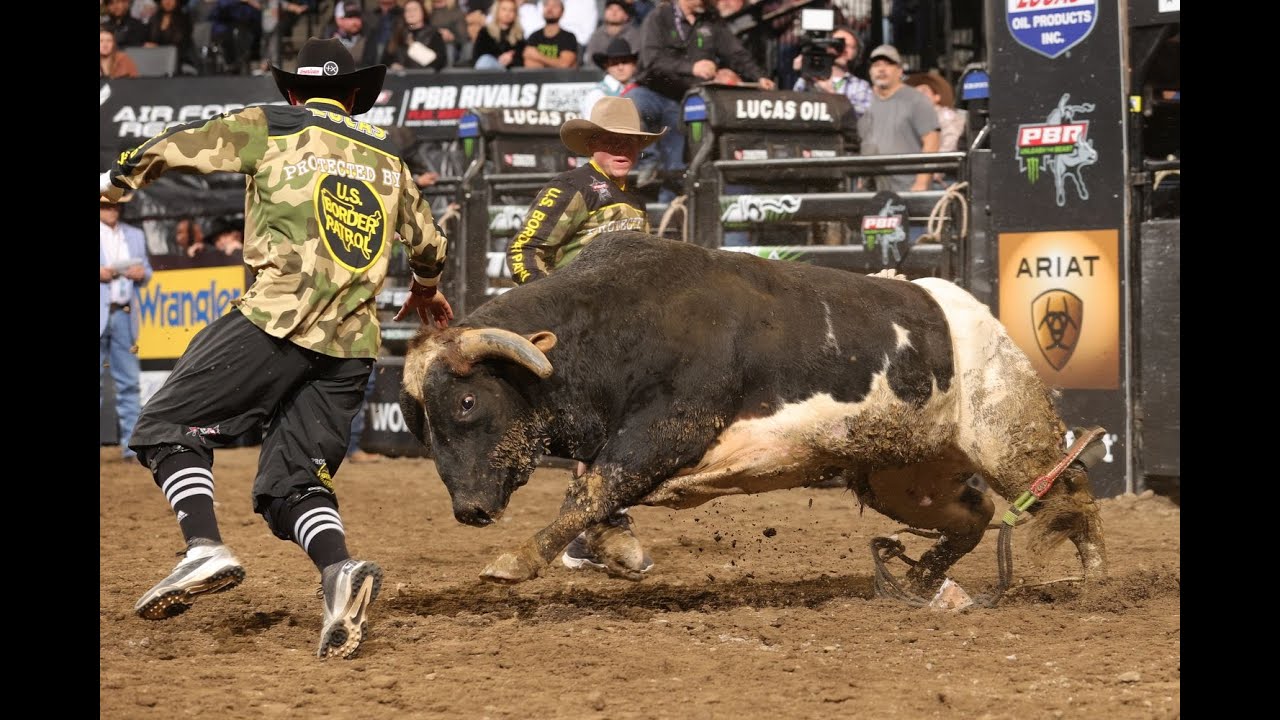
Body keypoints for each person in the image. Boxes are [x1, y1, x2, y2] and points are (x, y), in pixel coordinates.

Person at [99, 37, 454, 660]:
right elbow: (431, 245)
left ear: (293, 89)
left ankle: (204, 547)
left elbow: (178, 142)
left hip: (277, 315)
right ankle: (339, 572)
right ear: (353, 95)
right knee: (293, 482)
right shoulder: (389, 162)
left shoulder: (273, 124)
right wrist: (425, 290)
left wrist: (115, 180)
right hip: (351, 344)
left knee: (164, 424)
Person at [505, 96, 665, 575]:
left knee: (607, 427)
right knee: (603, 428)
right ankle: (602, 523)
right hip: (580, 331)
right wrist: (555, 310)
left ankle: (584, 530)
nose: (623, 149)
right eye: (612, 140)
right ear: (593, 143)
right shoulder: (572, 187)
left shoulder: (633, 199)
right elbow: (525, 251)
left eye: (630, 142)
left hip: (623, 333)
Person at [631, 0, 775, 197]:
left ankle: (672, 216)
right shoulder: (659, 17)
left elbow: (735, 52)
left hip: (684, 99)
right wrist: (691, 68)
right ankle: (648, 161)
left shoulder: (711, 18)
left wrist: (759, 76)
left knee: (677, 168)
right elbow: (651, 60)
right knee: (632, 103)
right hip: (652, 91)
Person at [100, 196, 153, 461]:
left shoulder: (134, 235)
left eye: (115, 205)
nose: (112, 210)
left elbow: (147, 270)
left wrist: (141, 274)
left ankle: (131, 448)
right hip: (105, 311)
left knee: (130, 383)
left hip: (123, 313)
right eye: (106, 205)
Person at [857, 44, 939, 193]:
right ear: (870, 71)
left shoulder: (916, 100)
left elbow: (932, 142)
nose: (881, 69)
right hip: (872, 190)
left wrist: (921, 183)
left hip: (908, 188)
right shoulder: (864, 102)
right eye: (876, 65)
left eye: (888, 64)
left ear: (899, 71)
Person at [792, 25, 873, 120]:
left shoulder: (861, 87)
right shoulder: (809, 79)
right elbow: (794, 109)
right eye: (837, 44)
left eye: (849, 46)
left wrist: (831, 94)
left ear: (856, 54)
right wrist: (803, 72)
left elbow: (864, 119)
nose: (843, 49)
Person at [383, 0, 449, 71]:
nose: (411, 13)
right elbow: (385, 60)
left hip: (424, 79)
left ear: (423, 13)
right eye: (407, 10)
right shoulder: (397, 34)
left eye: (415, 9)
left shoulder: (433, 34)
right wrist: (392, 65)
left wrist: (415, 48)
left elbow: (440, 63)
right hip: (400, 79)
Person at [581, 36, 638, 117]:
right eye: (614, 63)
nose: (620, 67)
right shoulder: (597, 94)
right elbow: (592, 127)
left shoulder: (640, 89)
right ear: (606, 66)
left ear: (633, 65)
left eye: (625, 61)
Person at [582, 0, 641, 71]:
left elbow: (636, 60)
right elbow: (591, 60)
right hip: (600, 76)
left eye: (619, 9)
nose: (614, 12)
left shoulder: (634, 35)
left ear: (626, 16)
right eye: (610, 8)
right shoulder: (597, 35)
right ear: (604, 13)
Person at [520, 0, 578, 69]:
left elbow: (564, 64)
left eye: (555, 6)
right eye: (546, 5)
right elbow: (529, 64)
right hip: (538, 79)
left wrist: (537, 56)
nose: (550, 9)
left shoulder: (569, 37)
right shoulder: (534, 36)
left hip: (562, 79)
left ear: (562, 12)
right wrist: (555, 63)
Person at [471, 0, 524, 69]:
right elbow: (477, 55)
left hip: (509, 71)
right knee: (485, 60)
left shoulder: (518, 35)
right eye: (504, 9)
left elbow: (521, 57)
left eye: (511, 10)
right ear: (497, 11)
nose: (507, 13)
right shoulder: (485, 32)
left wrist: (511, 58)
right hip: (489, 68)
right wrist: (499, 58)